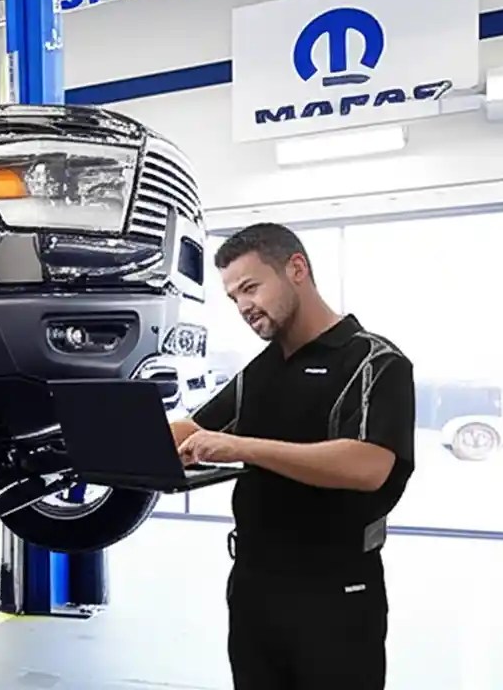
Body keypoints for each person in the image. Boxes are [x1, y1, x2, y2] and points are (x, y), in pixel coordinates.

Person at [169, 222, 416, 690]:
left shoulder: (374, 362)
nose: (243, 306)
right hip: (254, 585)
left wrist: (241, 448)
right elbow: (198, 427)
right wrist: (139, 434)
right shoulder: (261, 371)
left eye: (250, 287)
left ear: (296, 269)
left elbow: (368, 466)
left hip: (335, 591)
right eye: (233, 298)